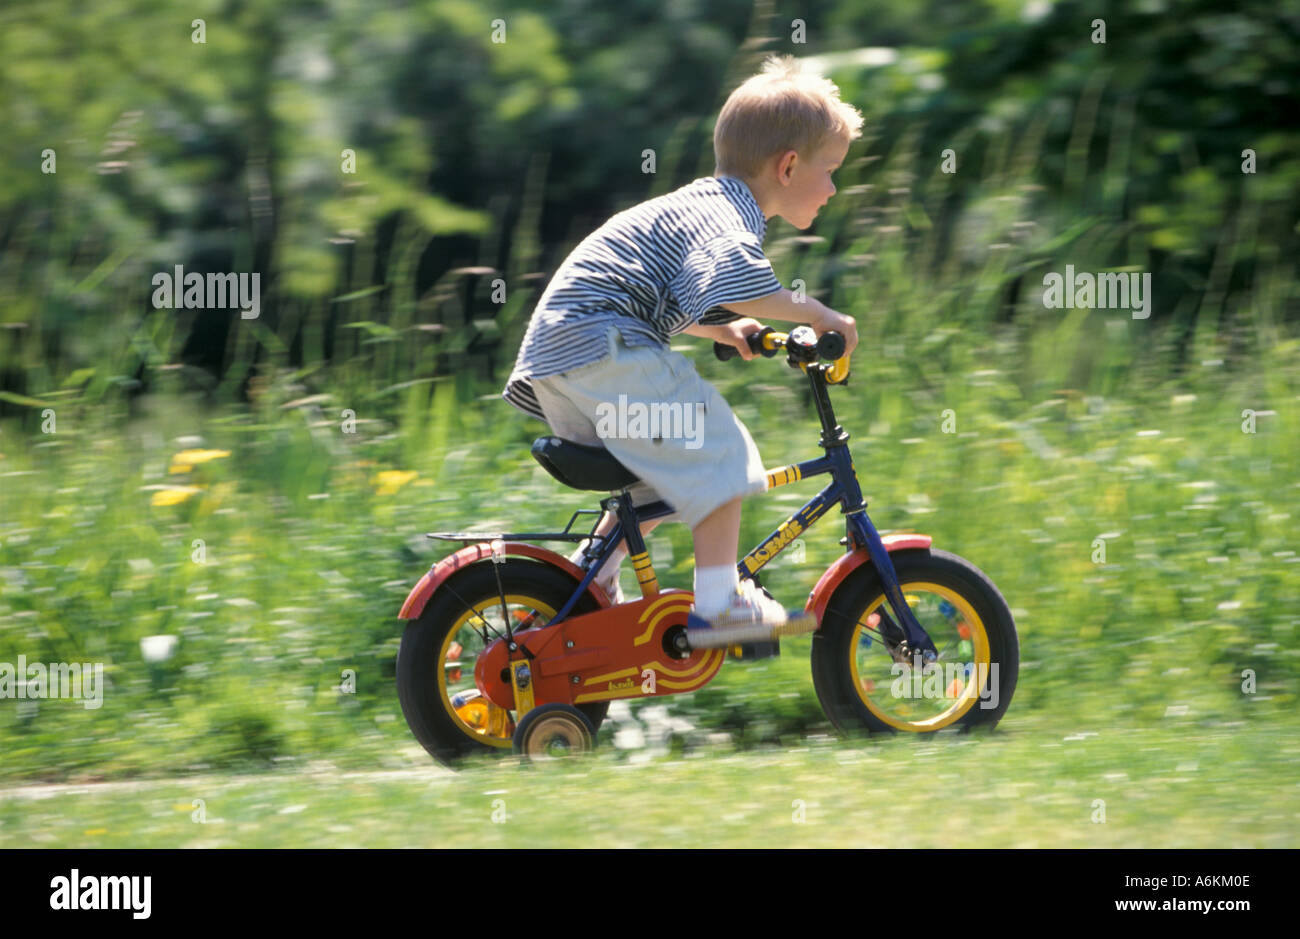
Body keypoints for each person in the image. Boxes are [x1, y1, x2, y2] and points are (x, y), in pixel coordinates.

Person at [502, 54, 862, 624]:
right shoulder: (729, 214)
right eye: (832, 168)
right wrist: (819, 315)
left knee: (657, 480)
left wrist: (723, 326)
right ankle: (721, 604)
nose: (835, 187)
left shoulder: (699, 207)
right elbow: (734, 278)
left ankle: (585, 589)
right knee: (720, 450)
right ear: (788, 167)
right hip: (598, 347)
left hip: (558, 364)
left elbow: (667, 289)